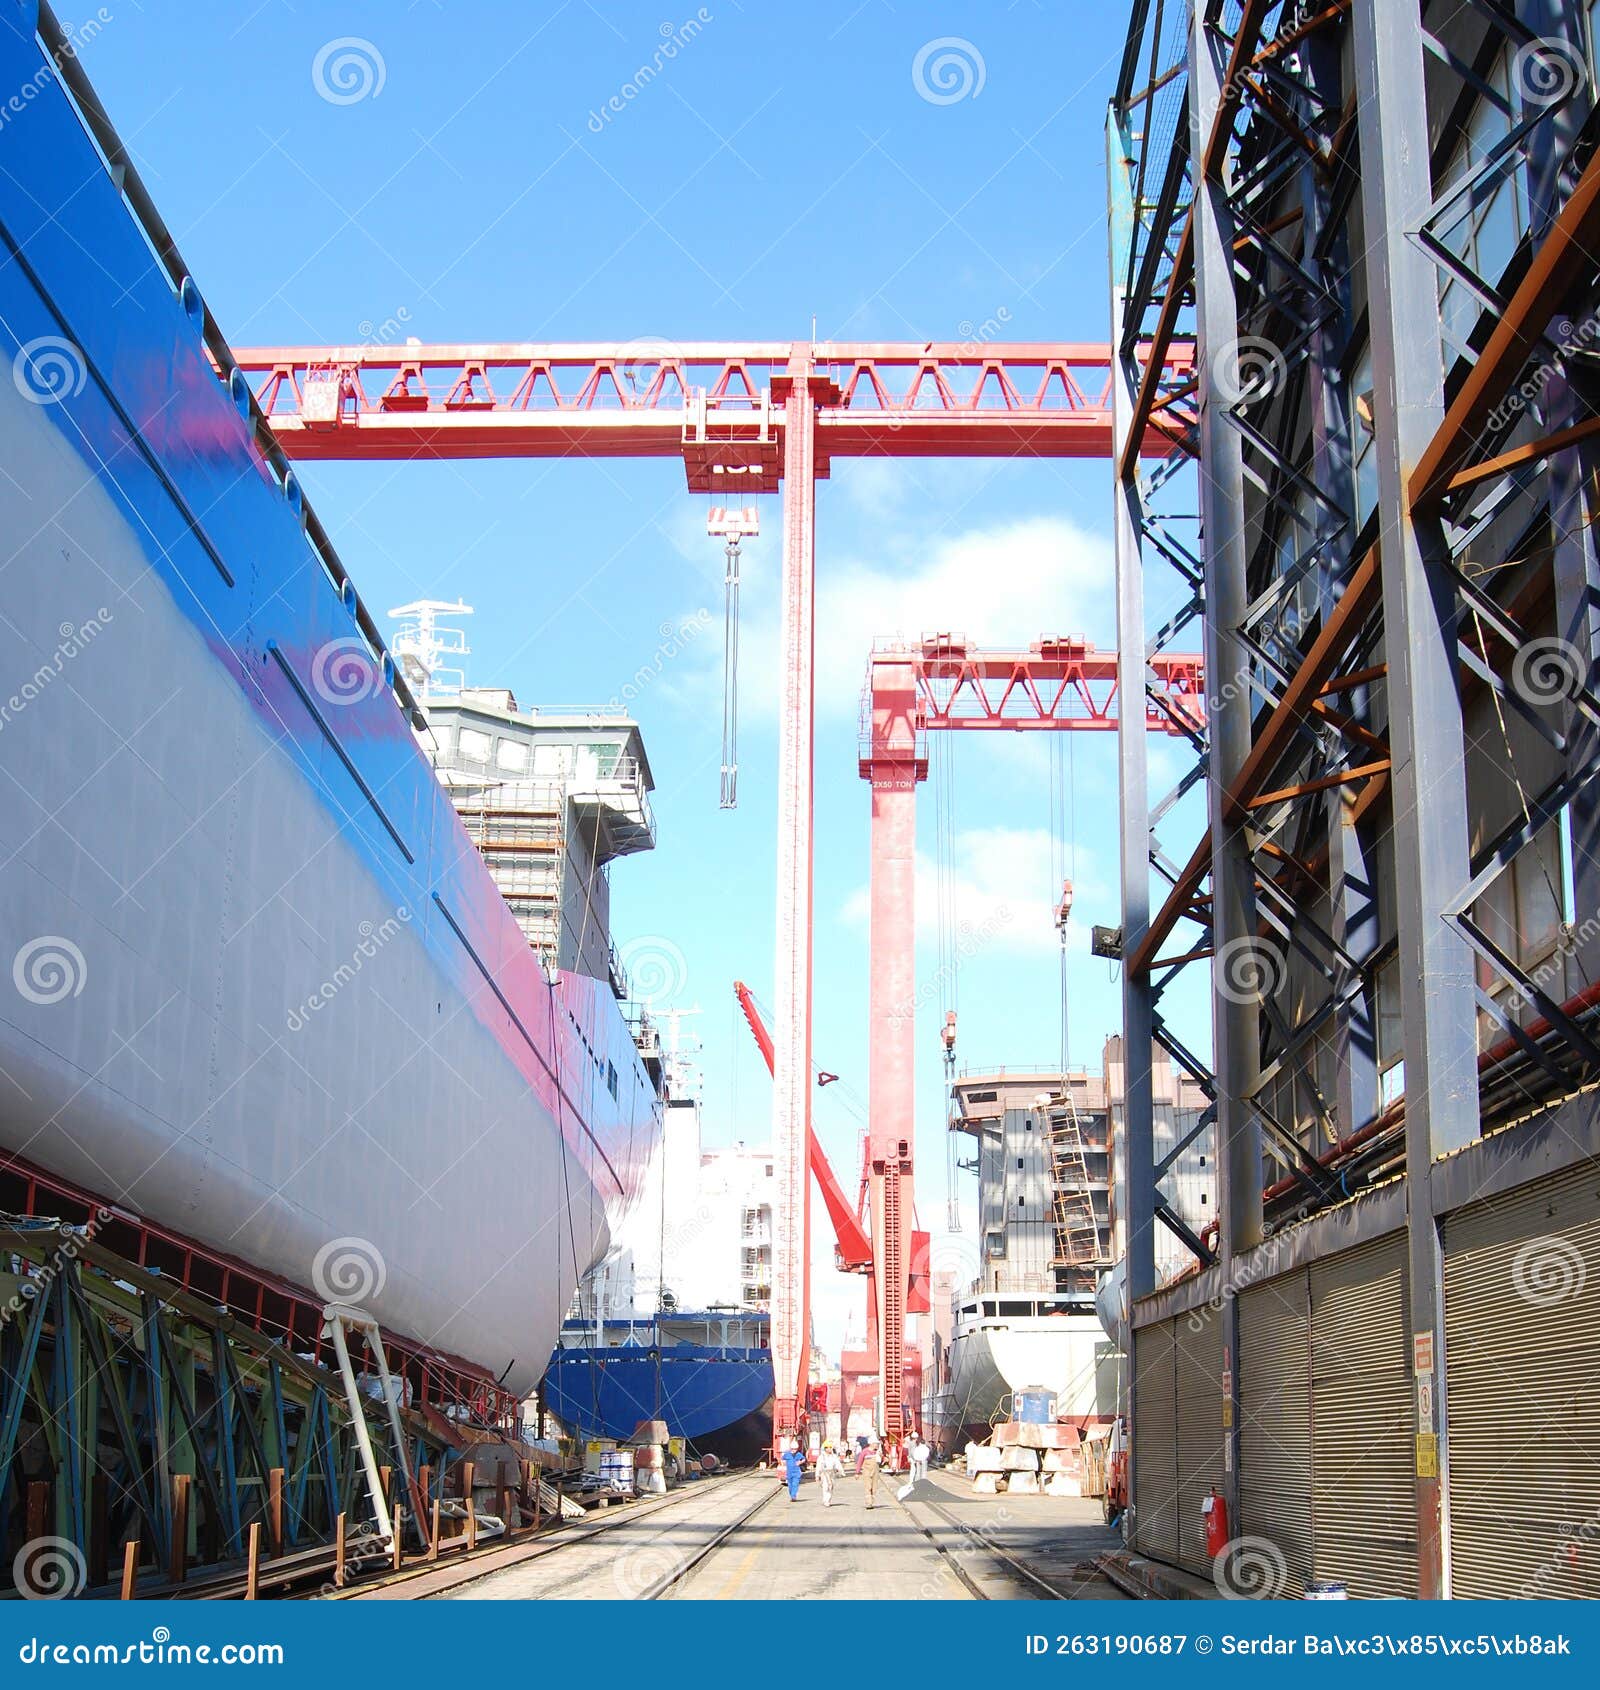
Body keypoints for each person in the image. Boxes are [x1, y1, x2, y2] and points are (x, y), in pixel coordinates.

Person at [817, 1440, 843, 1507]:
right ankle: (825, 1500)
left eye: (830, 1447)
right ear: (825, 1448)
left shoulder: (834, 1456)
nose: (829, 1449)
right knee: (825, 1486)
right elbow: (818, 1466)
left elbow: (838, 1464)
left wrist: (840, 1471)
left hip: (832, 1473)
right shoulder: (821, 1457)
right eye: (828, 1447)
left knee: (831, 1487)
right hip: (824, 1473)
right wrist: (817, 1475)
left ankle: (828, 1500)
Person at [861, 1437, 882, 1508]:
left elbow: (880, 1461)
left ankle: (872, 1501)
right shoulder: (865, 1451)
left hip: (875, 1471)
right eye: (876, 1444)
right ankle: (868, 1503)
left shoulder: (877, 1452)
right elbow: (860, 1461)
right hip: (867, 1471)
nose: (877, 1445)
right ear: (871, 1444)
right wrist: (857, 1472)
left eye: (878, 1444)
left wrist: (882, 1456)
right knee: (868, 1486)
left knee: (874, 1487)